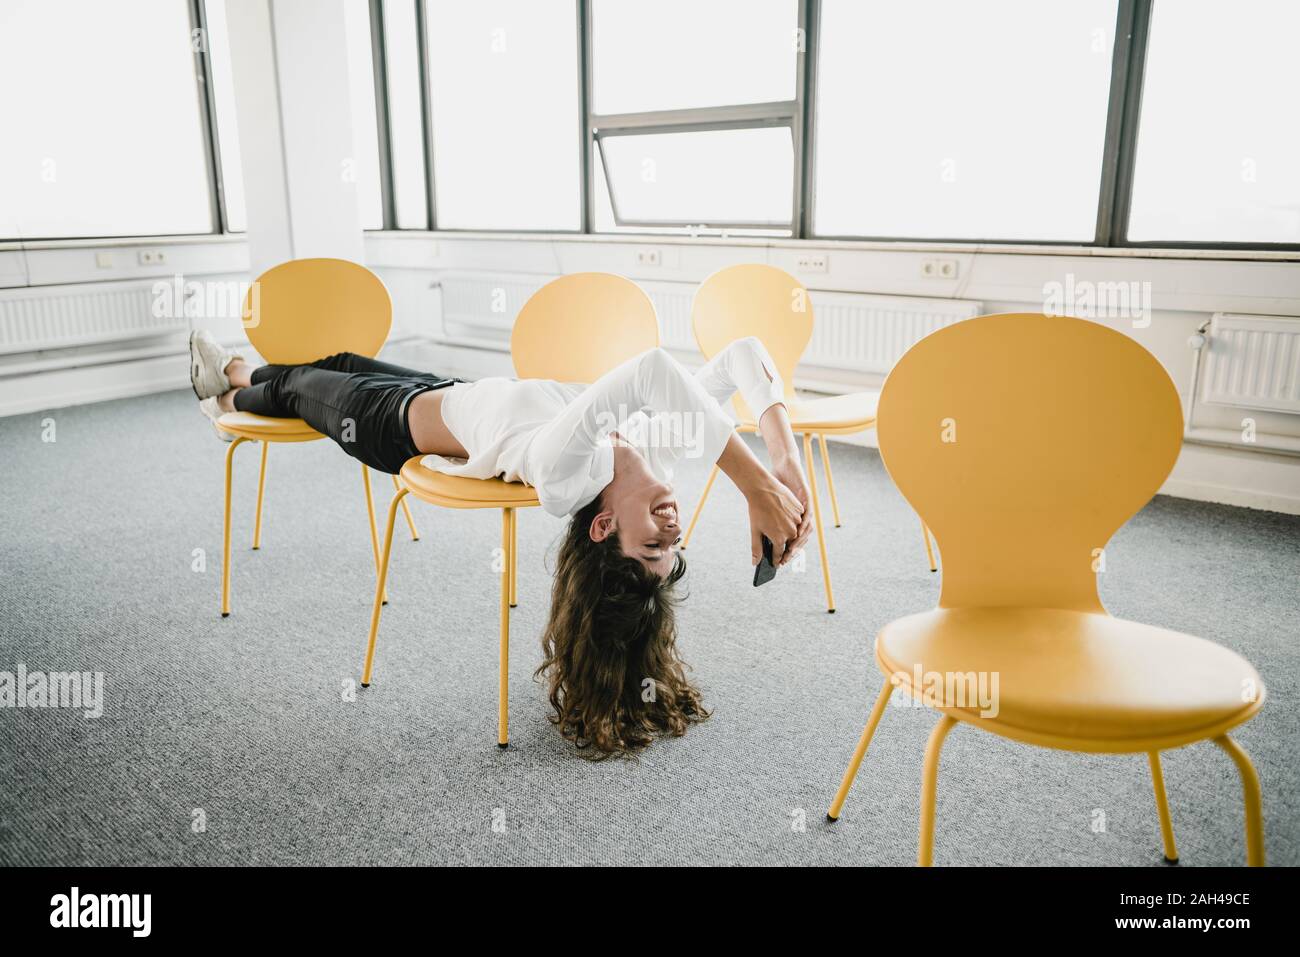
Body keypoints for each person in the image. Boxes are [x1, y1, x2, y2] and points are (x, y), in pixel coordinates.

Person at [190, 330, 812, 755]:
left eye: (651, 547)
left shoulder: (564, 474)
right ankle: (246, 379)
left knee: (301, 386)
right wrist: (782, 461)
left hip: (392, 426)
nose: (672, 532)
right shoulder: (659, 450)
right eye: (672, 549)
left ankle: (228, 396)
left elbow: (651, 370)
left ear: (603, 528)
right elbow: (741, 356)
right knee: (343, 361)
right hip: (456, 390)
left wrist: (753, 487)